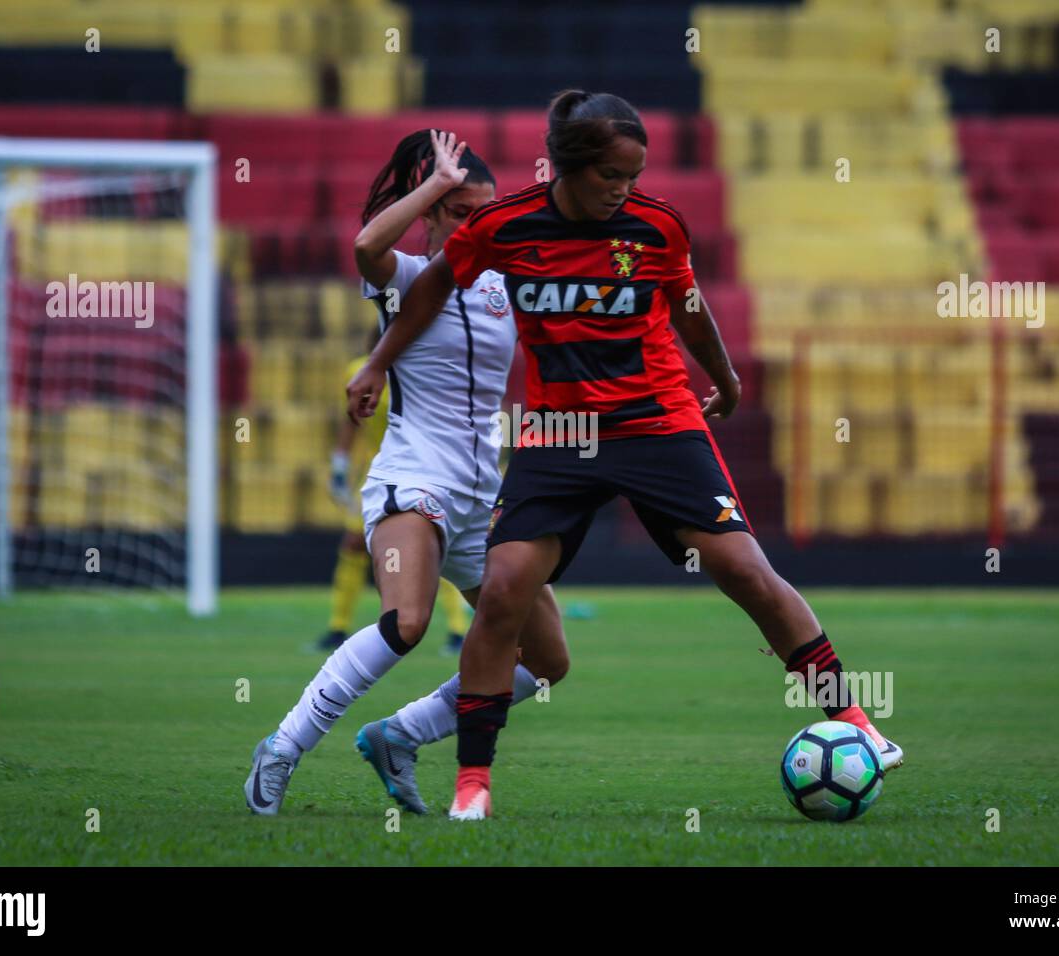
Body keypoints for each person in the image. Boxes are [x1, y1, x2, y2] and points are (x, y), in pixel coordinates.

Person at [347, 92, 904, 822]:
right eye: (613, 174)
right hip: (559, 427)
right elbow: (427, 295)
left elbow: (689, 307)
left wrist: (728, 380)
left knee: (744, 569)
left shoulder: (656, 226)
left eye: (633, 174)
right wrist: (377, 363)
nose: (624, 188)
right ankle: (473, 783)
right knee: (507, 586)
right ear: (572, 169)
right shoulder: (504, 226)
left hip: (657, 422)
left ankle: (858, 723)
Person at [245, 129, 568, 817]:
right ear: (432, 214)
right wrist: (433, 182)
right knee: (409, 621)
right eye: (458, 212)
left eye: (483, 212)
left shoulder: (507, 288)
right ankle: (282, 747)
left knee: (547, 661)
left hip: (486, 496)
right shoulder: (408, 278)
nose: (472, 225)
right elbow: (364, 247)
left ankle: (400, 735)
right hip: (413, 476)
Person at [319, 346, 470, 657]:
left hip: (427, 470)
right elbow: (351, 419)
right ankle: (337, 627)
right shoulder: (360, 369)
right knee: (354, 543)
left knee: (438, 545)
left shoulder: (427, 367)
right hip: (380, 473)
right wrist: (339, 465)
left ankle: (457, 630)